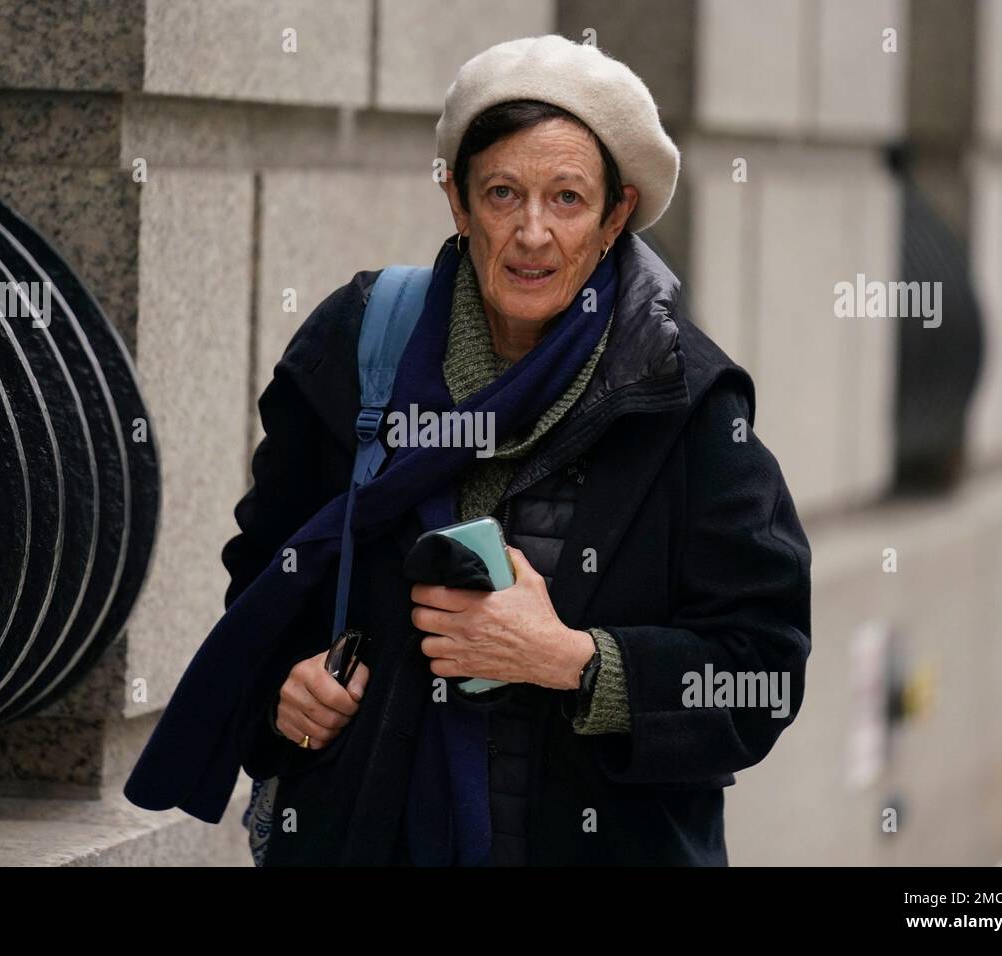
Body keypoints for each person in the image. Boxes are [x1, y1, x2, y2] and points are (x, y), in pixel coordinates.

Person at [124, 34, 812, 866]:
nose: (532, 233)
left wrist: (574, 662)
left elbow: (762, 669)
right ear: (456, 201)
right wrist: (285, 691)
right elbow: (269, 576)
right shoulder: (356, 349)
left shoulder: (684, 401)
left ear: (614, 216)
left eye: (566, 199)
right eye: (501, 194)